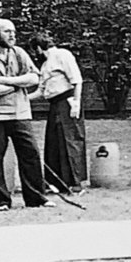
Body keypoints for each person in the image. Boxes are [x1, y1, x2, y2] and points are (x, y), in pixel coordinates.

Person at [0, 19, 55, 211]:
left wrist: (5, 80)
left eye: (13, 32)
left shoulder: (19, 53)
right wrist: (19, 83)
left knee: (31, 155)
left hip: (21, 113)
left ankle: (36, 198)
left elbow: (34, 78)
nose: (12, 35)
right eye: (7, 31)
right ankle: (0, 201)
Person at [27, 33, 88, 194]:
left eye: (35, 50)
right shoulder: (45, 65)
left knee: (70, 141)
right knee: (54, 143)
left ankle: (76, 183)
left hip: (68, 102)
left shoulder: (62, 55)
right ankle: (57, 183)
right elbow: (41, 91)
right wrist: (22, 98)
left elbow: (77, 80)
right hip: (54, 105)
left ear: (38, 48)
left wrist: (76, 103)